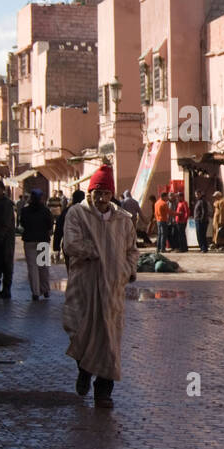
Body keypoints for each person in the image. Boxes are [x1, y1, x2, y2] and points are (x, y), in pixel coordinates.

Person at [62, 166, 139, 408]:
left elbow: (132, 250)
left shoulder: (123, 221)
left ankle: (104, 391)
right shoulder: (77, 214)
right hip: (85, 286)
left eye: (106, 193)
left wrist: (126, 270)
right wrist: (95, 254)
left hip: (112, 291)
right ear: (90, 193)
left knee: (109, 340)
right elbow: (71, 243)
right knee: (80, 332)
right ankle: (84, 370)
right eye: (97, 193)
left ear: (112, 194)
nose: (102, 198)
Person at [18, 189, 54, 300]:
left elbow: (22, 223)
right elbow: (50, 225)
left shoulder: (25, 211)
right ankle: (45, 289)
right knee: (43, 266)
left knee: (32, 267)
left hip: (29, 240)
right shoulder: (46, 210)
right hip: (43, 240)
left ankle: (36, 292)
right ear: (41, 198)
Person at [0, 180, 16, 298]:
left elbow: (6, 223)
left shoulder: (7, 204)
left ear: (2, 189)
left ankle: (6, 289)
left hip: (6, 240)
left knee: (7, 265)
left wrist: (1, 236)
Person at [54, 190, 85, 264]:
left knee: (71, 269)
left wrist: (56, 246)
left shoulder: (66, 211)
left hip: (68, 244)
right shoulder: (86, 212)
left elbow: (58, 229)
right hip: (83, 245)